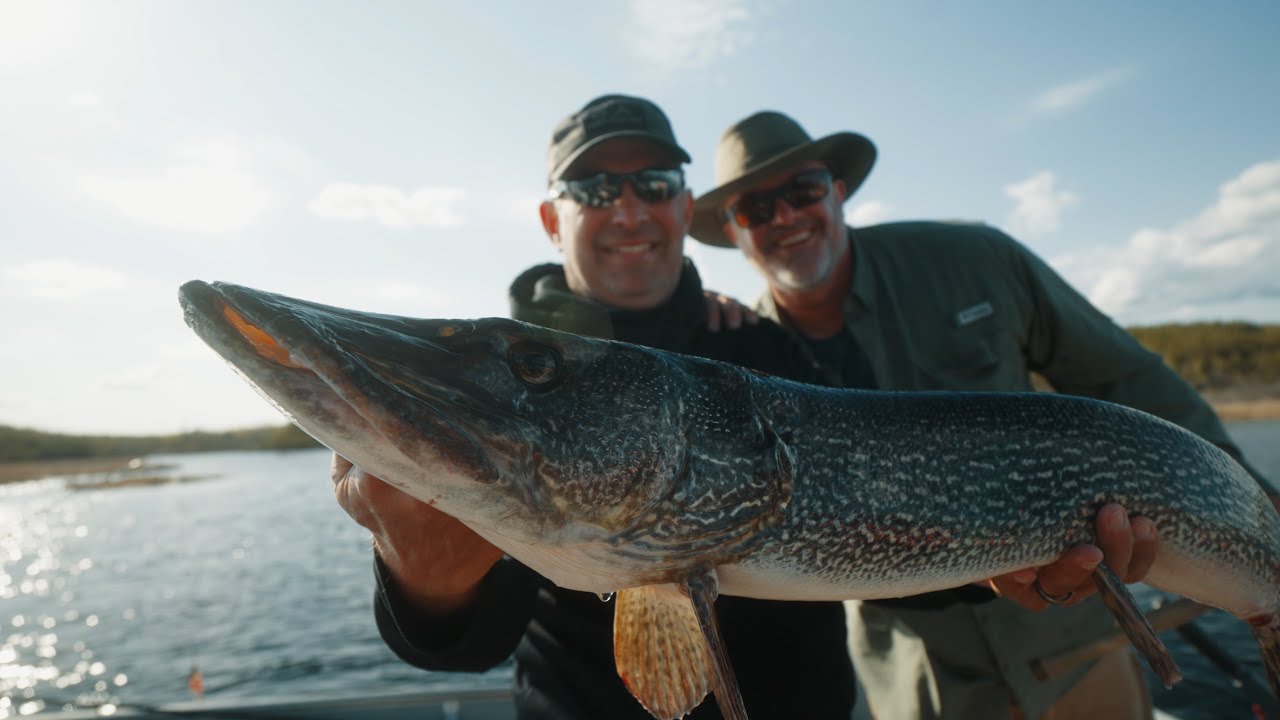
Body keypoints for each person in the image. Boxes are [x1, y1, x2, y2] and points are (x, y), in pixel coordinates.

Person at [332, 95, 1158, 720]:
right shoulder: (500, 387)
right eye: (594, 187)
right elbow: (472, 643)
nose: (627, 208)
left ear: (683, 211)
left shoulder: (768, 350)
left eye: (652, 184)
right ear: (554, 218)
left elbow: (880, 541)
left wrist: (1000, 574)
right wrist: (423, 582)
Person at [689, 110, 1279, 720]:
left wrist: (1258, 505)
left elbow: (1125, 377)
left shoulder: (974, 258)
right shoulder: (741, 351)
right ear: (733, 232)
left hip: (1073, 639)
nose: (784, 217)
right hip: (922, 669)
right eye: (755, 209)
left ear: (836, 191)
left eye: (802, 190)